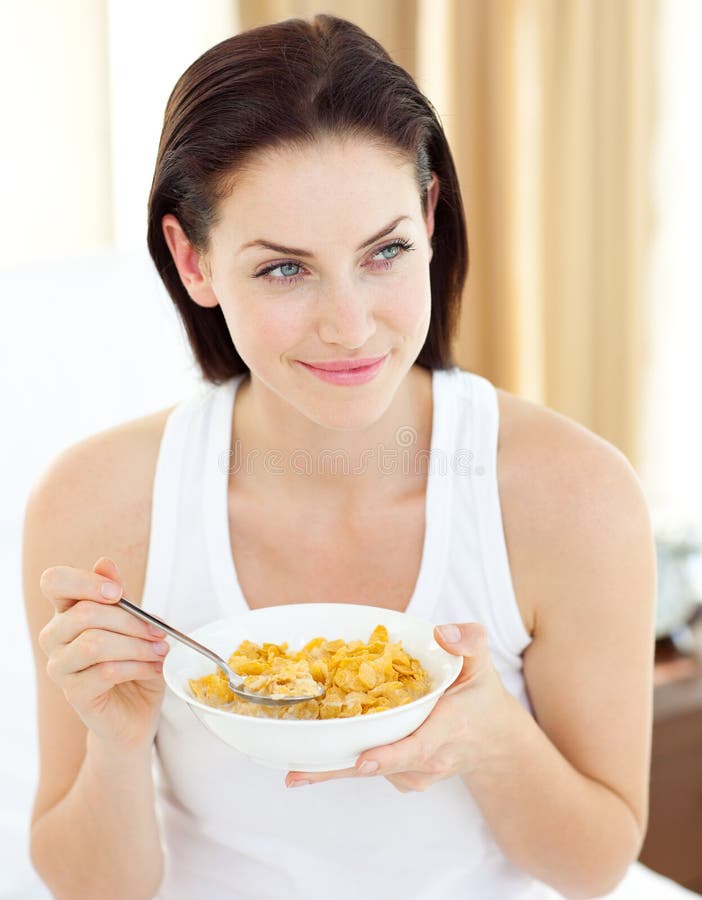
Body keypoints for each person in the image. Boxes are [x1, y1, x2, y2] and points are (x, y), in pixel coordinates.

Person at [23, 14, 656, 900]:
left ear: (431, 218)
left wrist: (489, 737)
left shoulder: (573, 497)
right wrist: (116, 743)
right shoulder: (98, 503)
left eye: (385, 252)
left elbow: (595, 868)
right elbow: (95, 889)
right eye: (285, 269)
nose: (352, 326)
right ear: (192, 259)